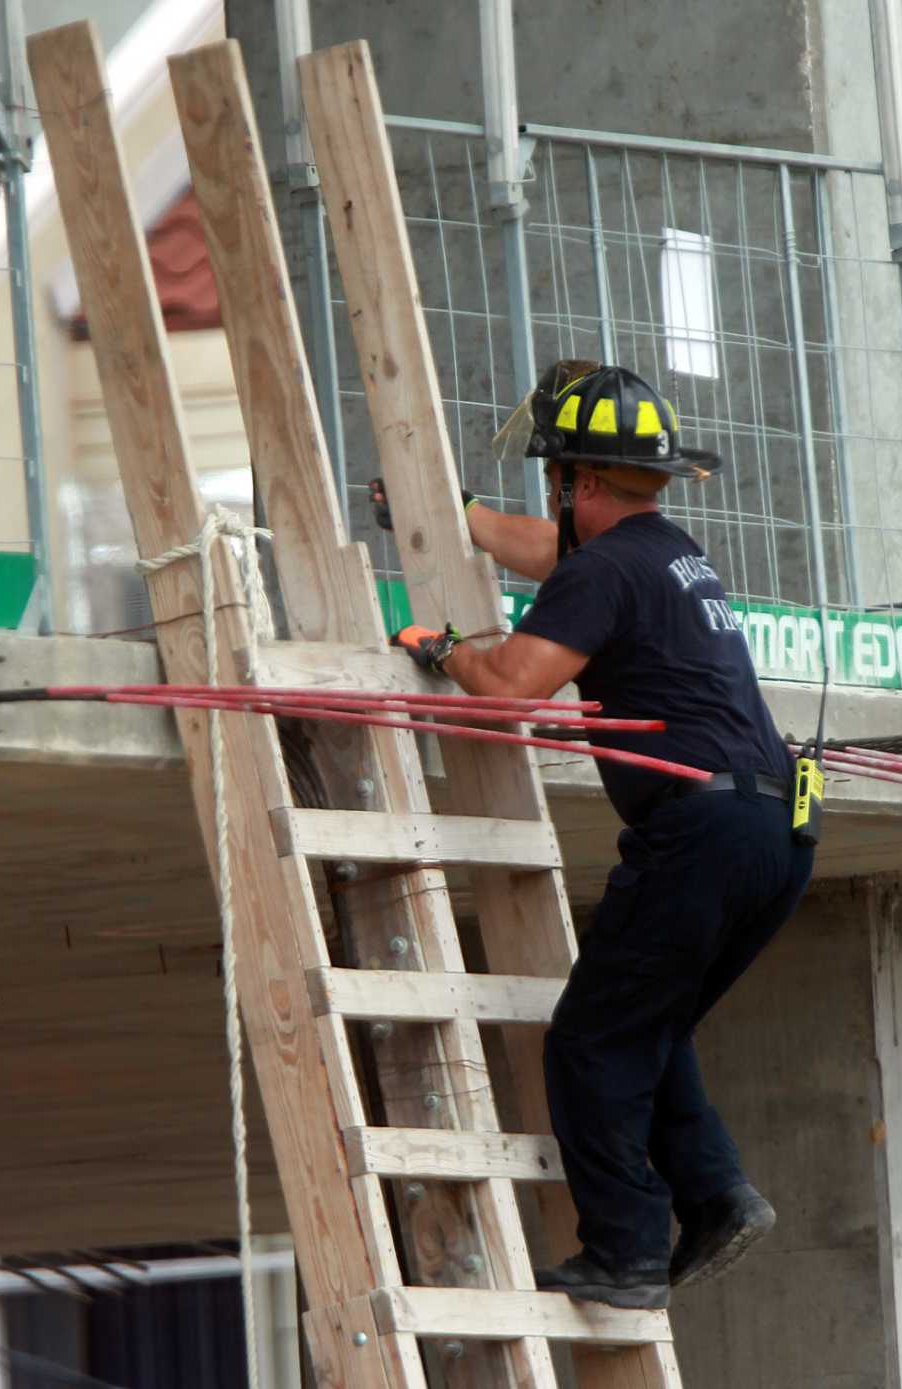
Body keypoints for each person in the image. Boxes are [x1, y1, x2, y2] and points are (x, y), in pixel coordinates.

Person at [377, 362, 817, 1311]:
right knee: (646, 1021)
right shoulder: (664, 552)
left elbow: (507, 691)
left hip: (701, 829)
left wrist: (441, 648)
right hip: (777, 829)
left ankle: (624, 1250)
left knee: (587, 1040)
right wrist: (463, 515)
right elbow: (554, 557)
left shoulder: (607, 569)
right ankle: (716, 1195)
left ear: (578, 482)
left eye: (558, 482)